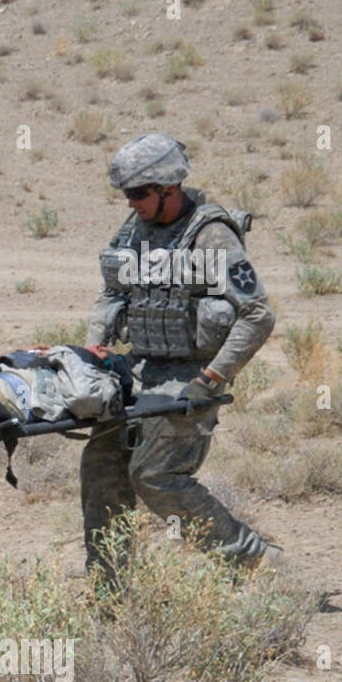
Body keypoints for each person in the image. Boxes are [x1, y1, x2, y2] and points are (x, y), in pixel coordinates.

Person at [82, 133, 279, 578]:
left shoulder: (210, 234)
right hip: (138, 369)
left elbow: (257, 314)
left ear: (167, 188)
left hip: (190, 375)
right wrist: (96, 343)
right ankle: (108, 585)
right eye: (125, 194)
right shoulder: (133, 229)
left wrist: (212, 377)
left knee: (156, 477)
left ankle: (252, 559)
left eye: (137, 193)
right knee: (100, 472)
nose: (130, 203)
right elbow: (111, 289)